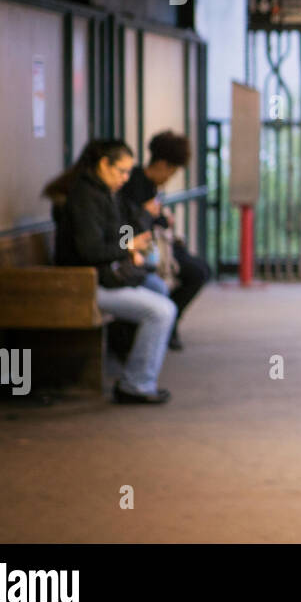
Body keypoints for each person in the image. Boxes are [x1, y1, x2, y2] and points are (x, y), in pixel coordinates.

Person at [43, 139, 176, 404]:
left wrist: (131, 246)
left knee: (158, 288)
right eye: (121, 171)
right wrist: (128, 247)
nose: (126, 178)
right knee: (162, 312)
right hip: (82, 284)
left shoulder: (102, 192)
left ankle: (130, 355)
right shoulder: (84, 197)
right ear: (104, 164)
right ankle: (136, 383)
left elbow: (115, 234)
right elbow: (91, 251)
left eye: (128, 172)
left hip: (99, 277)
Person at [118, 130, 211, 350]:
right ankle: (167, 324)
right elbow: (126, 228)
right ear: (161, 164)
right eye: (171, 171)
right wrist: (148, 215)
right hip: (141, 249)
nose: (170, 177)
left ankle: (168, 323)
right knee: (194, 273)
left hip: (152, 246)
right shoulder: (132, 184)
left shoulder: (148, 185)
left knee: (200, 270)